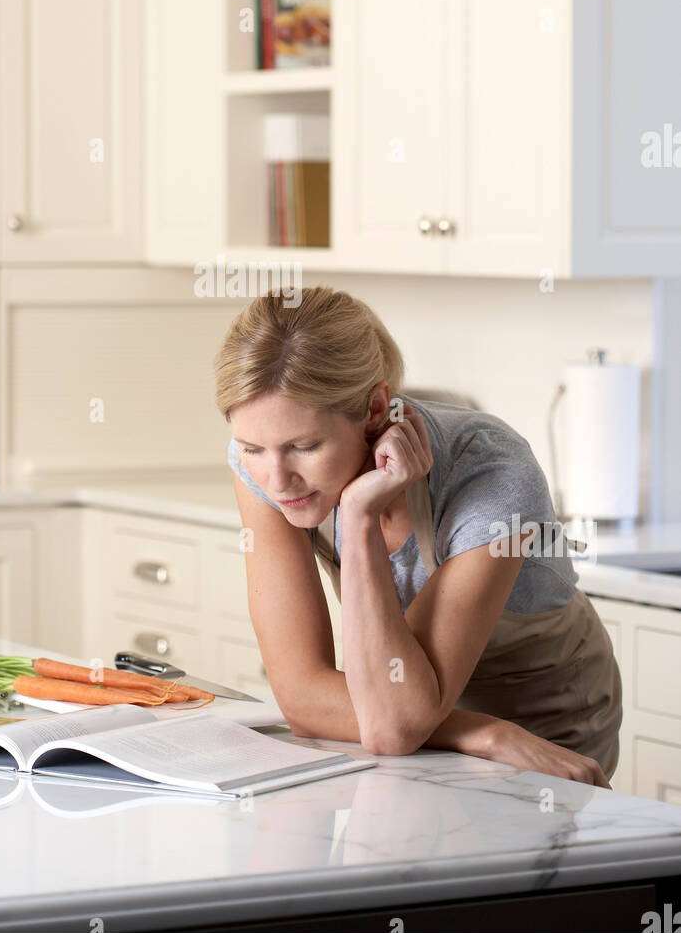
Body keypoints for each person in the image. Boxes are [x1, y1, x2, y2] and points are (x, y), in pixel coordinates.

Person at [214, 285, 622, 787]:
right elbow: (303, 696)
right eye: (252, 447)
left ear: (374, 408)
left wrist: (358, 517)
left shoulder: (490, 470)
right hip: (405, 714)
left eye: (304, 446)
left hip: (537, 722)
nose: (276, 481)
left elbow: (394, 726)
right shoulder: (262, 466)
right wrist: (483, 734)